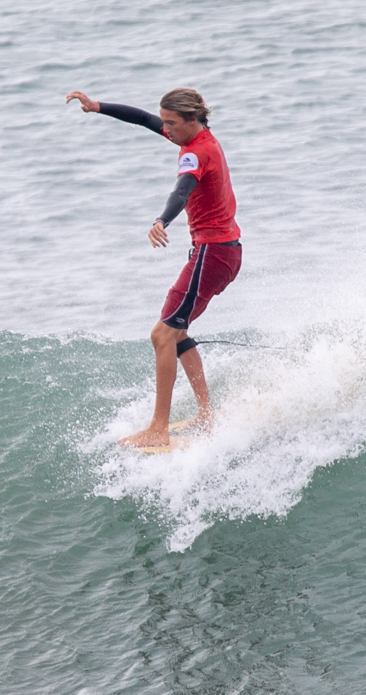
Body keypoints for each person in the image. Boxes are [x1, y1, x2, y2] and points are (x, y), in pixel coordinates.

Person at [64, 87, 241, 448]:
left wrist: (162, 220)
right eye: (165, 122)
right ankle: (207, 416)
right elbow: (144, 119)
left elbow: (182, 190)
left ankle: (158, 429)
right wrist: (98, 107)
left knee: (162, 335)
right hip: (221, 252)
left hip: (213, 252)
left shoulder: (195, 153)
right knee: (175, 332)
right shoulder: (200, 137)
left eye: (172, 123)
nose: (166, 129)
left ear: (192, 120)